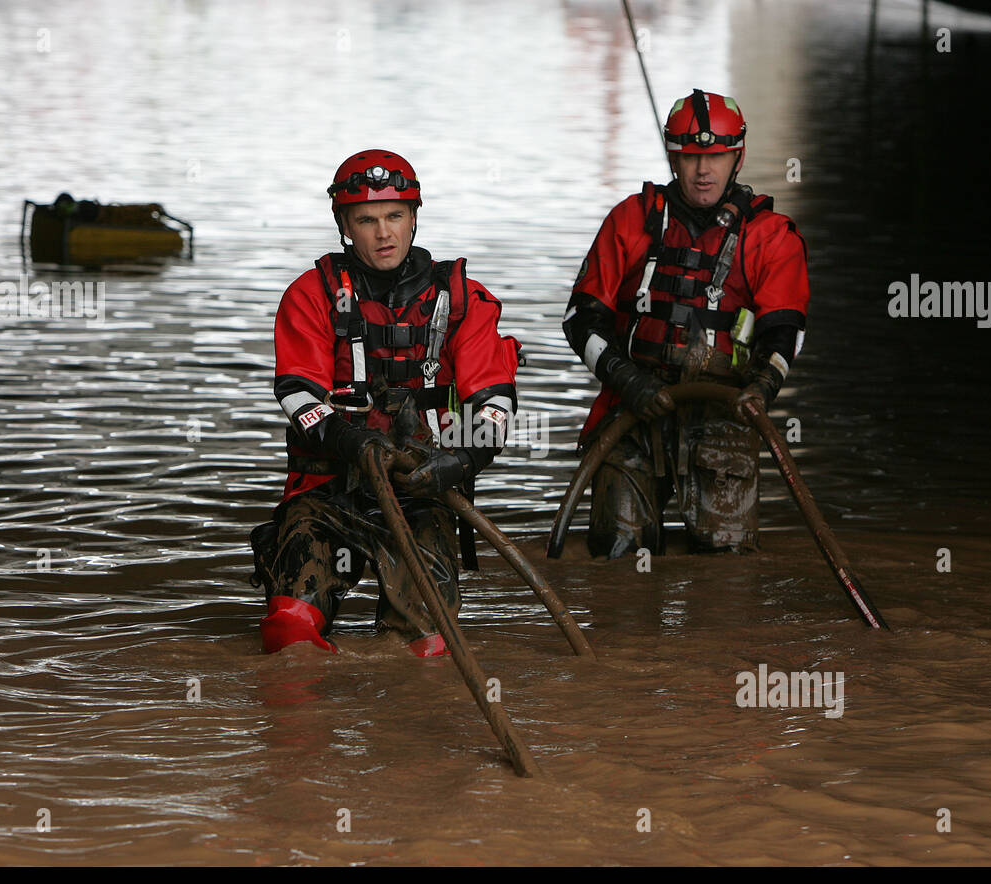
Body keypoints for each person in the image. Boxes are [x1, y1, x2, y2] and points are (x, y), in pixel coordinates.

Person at [249, 149, 519, 656]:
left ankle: (402, 712)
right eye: (366, 220)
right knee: (289, 632)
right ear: (344, 225)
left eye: (395, 216)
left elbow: (495, 400)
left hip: (422, 491)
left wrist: (463, 458)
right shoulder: (310, 296)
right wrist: (350, 440)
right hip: (327, 489)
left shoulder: (463, 301)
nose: (383, 233)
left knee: (424, 650)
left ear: (414, 217)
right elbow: (296, 389)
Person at [561, 90, 809, 558]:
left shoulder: (771, 236)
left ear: (738, 156)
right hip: (632, 412)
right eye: (691, 155)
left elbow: (785, 331)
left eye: (715, 155)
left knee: (725, 571)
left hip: (725, 417)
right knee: (616, 561)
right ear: (673, 156)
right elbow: (581, 319)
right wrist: (626, 380)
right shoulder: (630, 220)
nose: (703, 170)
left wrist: (760, 390)